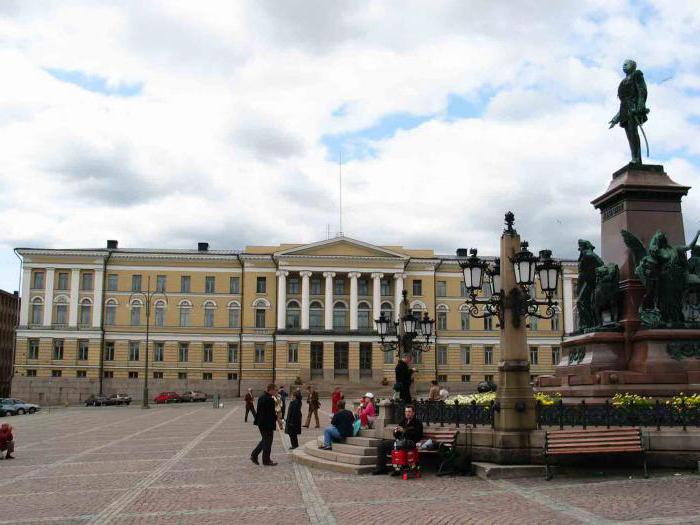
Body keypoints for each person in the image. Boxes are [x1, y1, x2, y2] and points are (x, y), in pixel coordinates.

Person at [372, 405, 424, 475]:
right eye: (406, 411)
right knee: (382, 445)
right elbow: (396, 435)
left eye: (409, 411)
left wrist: (404, 431)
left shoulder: (417, 423)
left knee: (397, 447)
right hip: (400, 442)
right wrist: (396, 431)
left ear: (413, 413)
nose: (407, 413)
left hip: (410, 443)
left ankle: (397, 469)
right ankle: (381, 468)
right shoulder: (403, 421)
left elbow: (418, 435)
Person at [251, 383, 279, 466]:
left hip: (261, 423)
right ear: (271, 390)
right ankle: (265, 460)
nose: (276, 392)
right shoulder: (269, 399)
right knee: (268, 442)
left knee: (265, 441)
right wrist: (278, 420)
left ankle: (255, 455)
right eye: (275, 390)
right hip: (267, 424)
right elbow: (271, 413)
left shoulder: (262, 397)